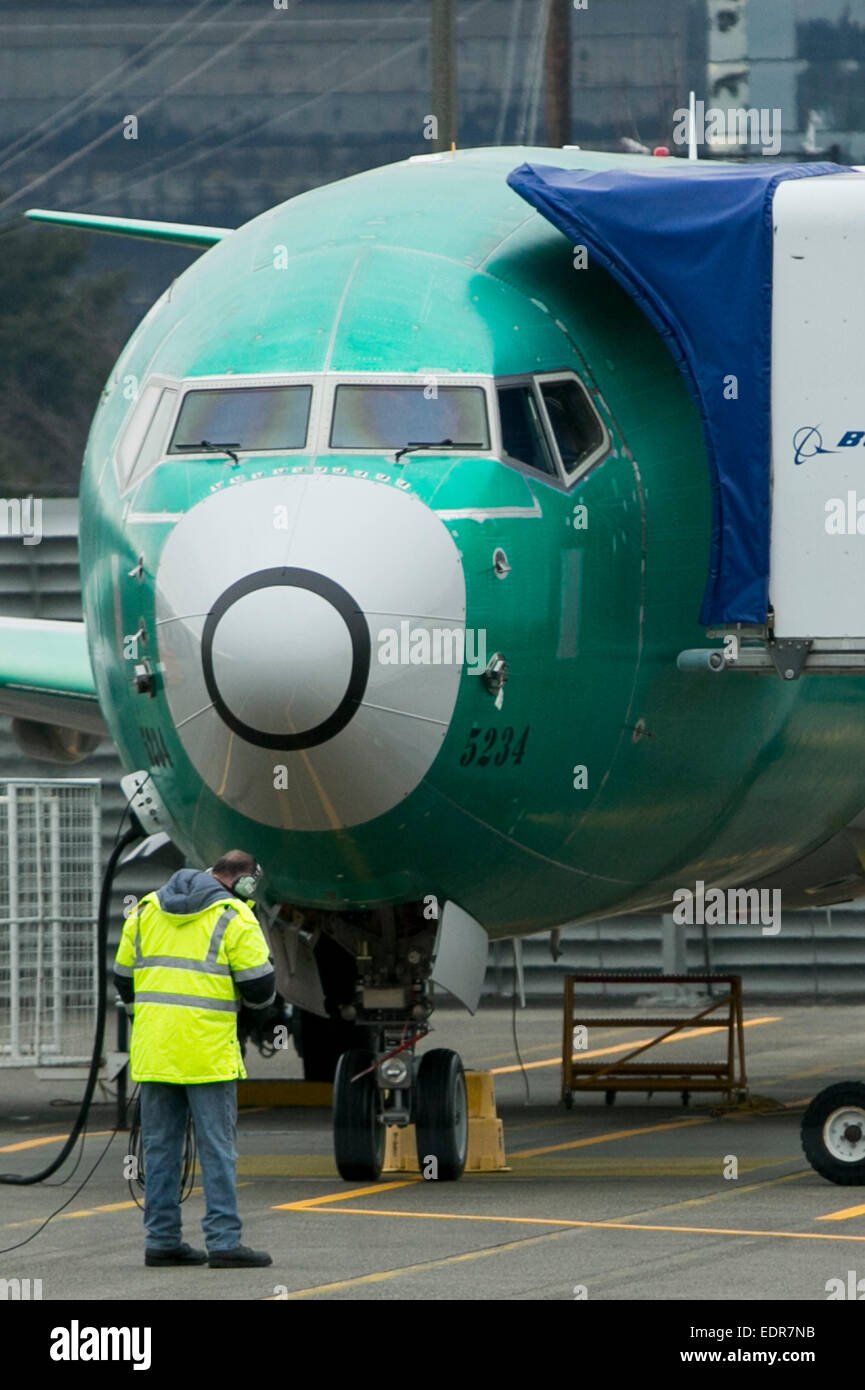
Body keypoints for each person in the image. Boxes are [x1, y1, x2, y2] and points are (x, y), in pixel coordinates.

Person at [114, 850, 277, 1269]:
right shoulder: (235, 917)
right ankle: (223, 1242)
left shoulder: (146, 910)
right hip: (206, 1054)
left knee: (159, 1148)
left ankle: (162, 1240)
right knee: (217, 1149)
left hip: (155, 1052)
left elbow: (122, 979)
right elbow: (260, 990)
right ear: (243, 882)